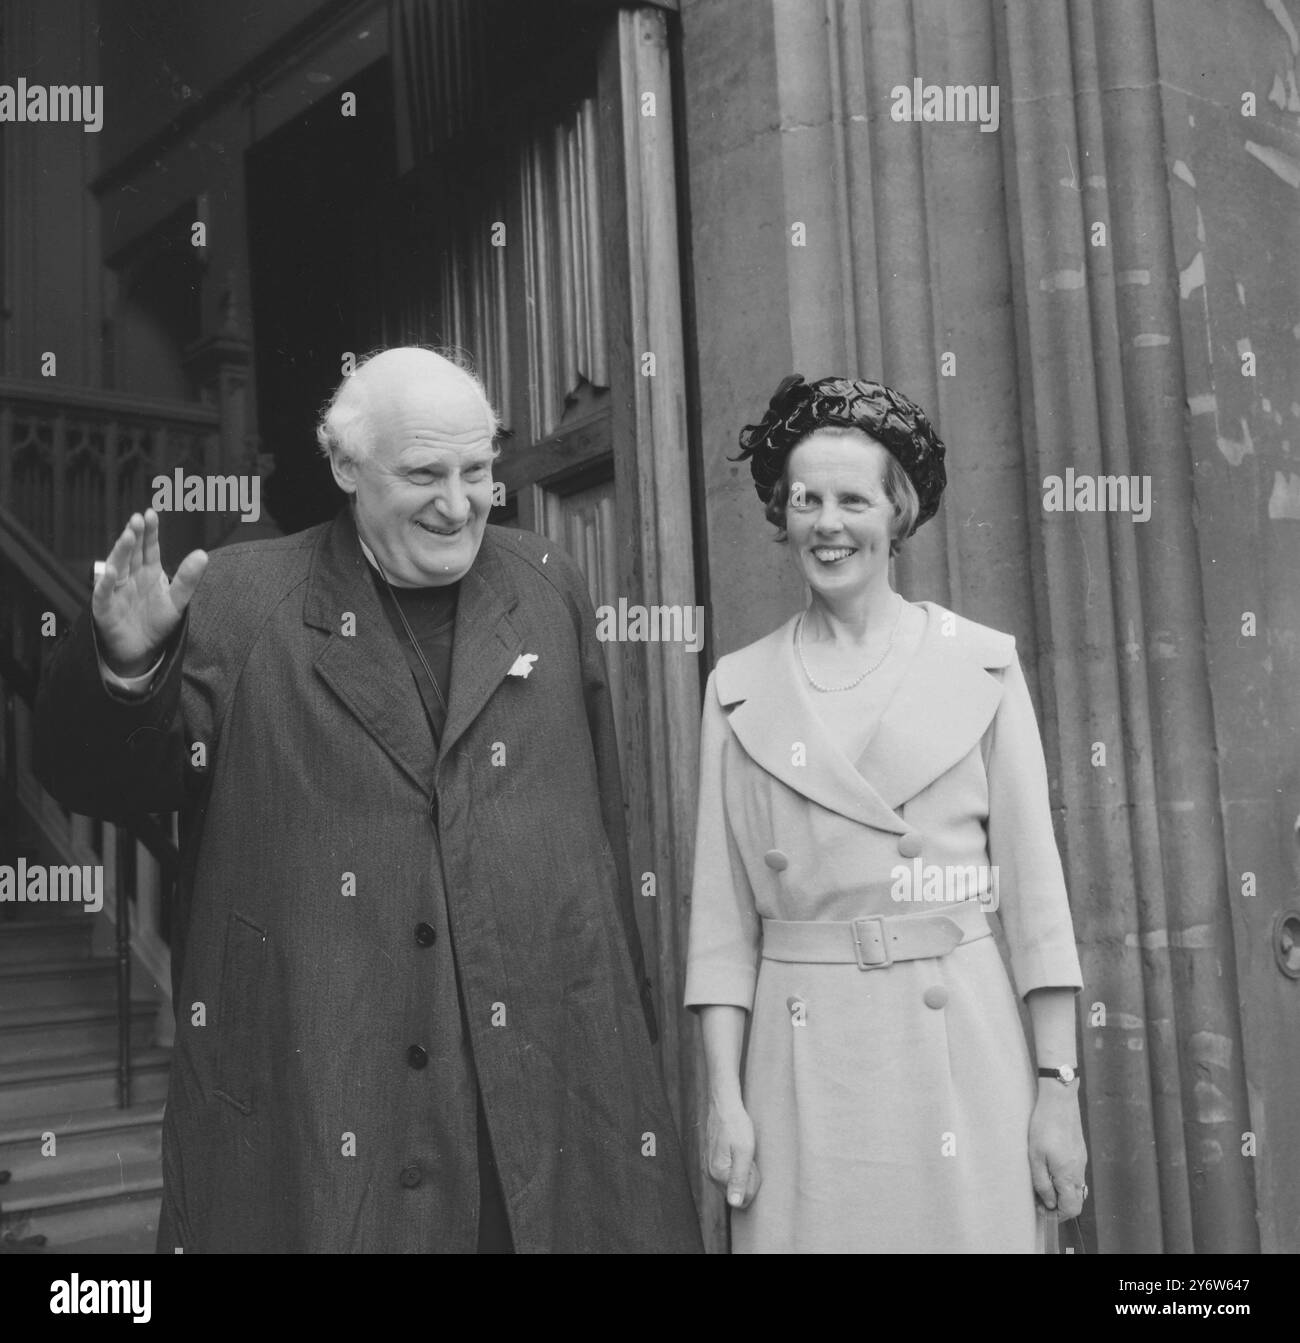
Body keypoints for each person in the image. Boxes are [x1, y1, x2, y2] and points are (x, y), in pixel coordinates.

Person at [34, 346, 702, 1254]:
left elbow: (599, 826)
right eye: (425, 473)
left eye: (478, 471)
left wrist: (621, 1022)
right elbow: (104, 781)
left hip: (540, 1078)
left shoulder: (546, 581)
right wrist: (128, 669)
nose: (459, 504)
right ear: (347, 467)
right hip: (327, 1088)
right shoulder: (245, 595)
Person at [685, 374, 1087, 1253]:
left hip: (960, 1055)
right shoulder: (737, 690)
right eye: (806, 500)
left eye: (853, 499)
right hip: (801, 1067)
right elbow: (721, 931)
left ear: (897, 514)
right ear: (782, 516)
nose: (828, 524)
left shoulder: (979, 665)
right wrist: (725, 1099)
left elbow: (1036, 901)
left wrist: (1058, 1087)